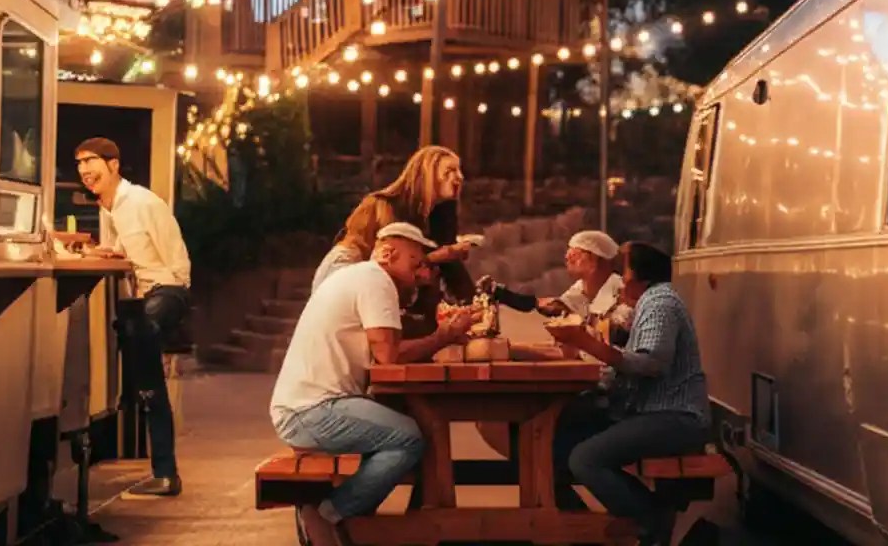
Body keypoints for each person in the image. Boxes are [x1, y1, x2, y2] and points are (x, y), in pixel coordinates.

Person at [271, 222, 480, 546]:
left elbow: (391, 347)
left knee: (404, 423)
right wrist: (447, 335)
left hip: (306, 406)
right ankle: (327, 514)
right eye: (415, 262)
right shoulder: (375, 279)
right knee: (409, 438)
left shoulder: (361, 278)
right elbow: (390, 356)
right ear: (387, 253)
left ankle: (352, 522)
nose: (420, 272)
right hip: (310, 411)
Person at [546, 242, 711, 546]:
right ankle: (578, 529)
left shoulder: (661, 302)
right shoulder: (646, 302)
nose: (619, 282)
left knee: (585, 459)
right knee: (552, 448)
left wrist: (588, 344)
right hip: (646, 412)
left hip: (674, 416)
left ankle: (650, 520)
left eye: (623, 272)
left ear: (640, 278)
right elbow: (625, 369)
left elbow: (650, 363)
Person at [76, 137, 191, 498]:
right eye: (79, 164)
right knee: (143, 370)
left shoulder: (141, 201)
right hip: (143, 296)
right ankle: (164, 471)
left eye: (91, 161)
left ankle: (164, 470)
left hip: (167, 289)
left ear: (114, 165)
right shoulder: (108, 208)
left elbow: (175, 263)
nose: (84, 171)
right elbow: (124, 253)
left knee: (137, 337)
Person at [310, 146, 476, 335]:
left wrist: (475, 303)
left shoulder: (439, 216)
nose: (460, 177)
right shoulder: (384, 206)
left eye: (459, 170)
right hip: (344, 272)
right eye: (450, 171)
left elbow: (448, 269)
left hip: (378, 285)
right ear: (428, 174)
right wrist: (438, 257)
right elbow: (389, 264)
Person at [479, 230, 633, 345]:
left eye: (574, 254)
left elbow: (616, 336)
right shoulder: (581, 288)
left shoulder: (620, 290)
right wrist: (501, 293)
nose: (567, 258)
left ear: (593, 258)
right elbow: (552, 307)